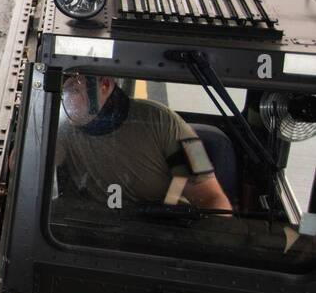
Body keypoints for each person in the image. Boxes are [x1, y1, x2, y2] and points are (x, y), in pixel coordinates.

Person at [56, 73, 231, 211]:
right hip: (90, 233)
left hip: (161, 232)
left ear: (105, 85)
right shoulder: (62, 127)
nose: (63, 100)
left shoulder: (166, 121)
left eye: (74, 90)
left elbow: (211, 199)